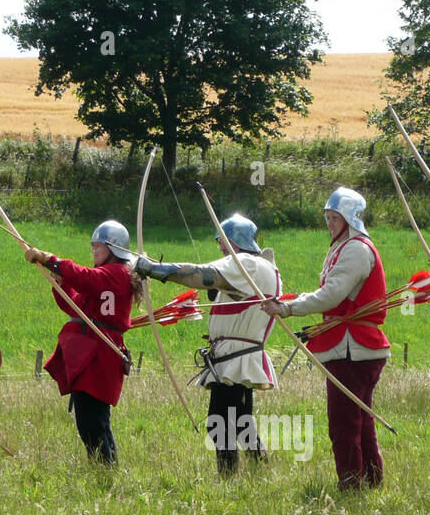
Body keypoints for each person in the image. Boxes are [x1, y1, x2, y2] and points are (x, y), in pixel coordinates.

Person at [261, 187, 389, 490]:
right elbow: (326, 293)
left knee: (345, 424)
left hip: (353, 348)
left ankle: (351, 485)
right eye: (328, 218)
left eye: (335, 218)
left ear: (351, 219)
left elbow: (331, 295)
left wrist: (289, 308)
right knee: (360, 420)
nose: (330, 224)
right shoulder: (343, 247)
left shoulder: (357, 248)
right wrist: (288, 302)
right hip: (351, 347)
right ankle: (370, 481)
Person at [134, 213, 278, 475]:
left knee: (219, 423)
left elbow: (202, 275)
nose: (221, 247)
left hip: (237, 357)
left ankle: (228, 478)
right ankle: (260, 467)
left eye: (223, 241)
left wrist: (155, 270)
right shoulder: (257, 266)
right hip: (236, 355)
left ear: (235, 240)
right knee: (241, 420)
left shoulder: (247, 263)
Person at [29, 220, 137, 465]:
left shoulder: (117, 273)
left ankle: (105, 468)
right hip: (89, 352)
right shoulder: (103, 277)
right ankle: (105, 467)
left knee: (94, 419)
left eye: (100, 245)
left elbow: (85, 277)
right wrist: (60, 283)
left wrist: (52, 260)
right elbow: (75, 305)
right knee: (89, 418)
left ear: (114, 248)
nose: (94, 250)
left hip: (100, 354)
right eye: (93, 245)